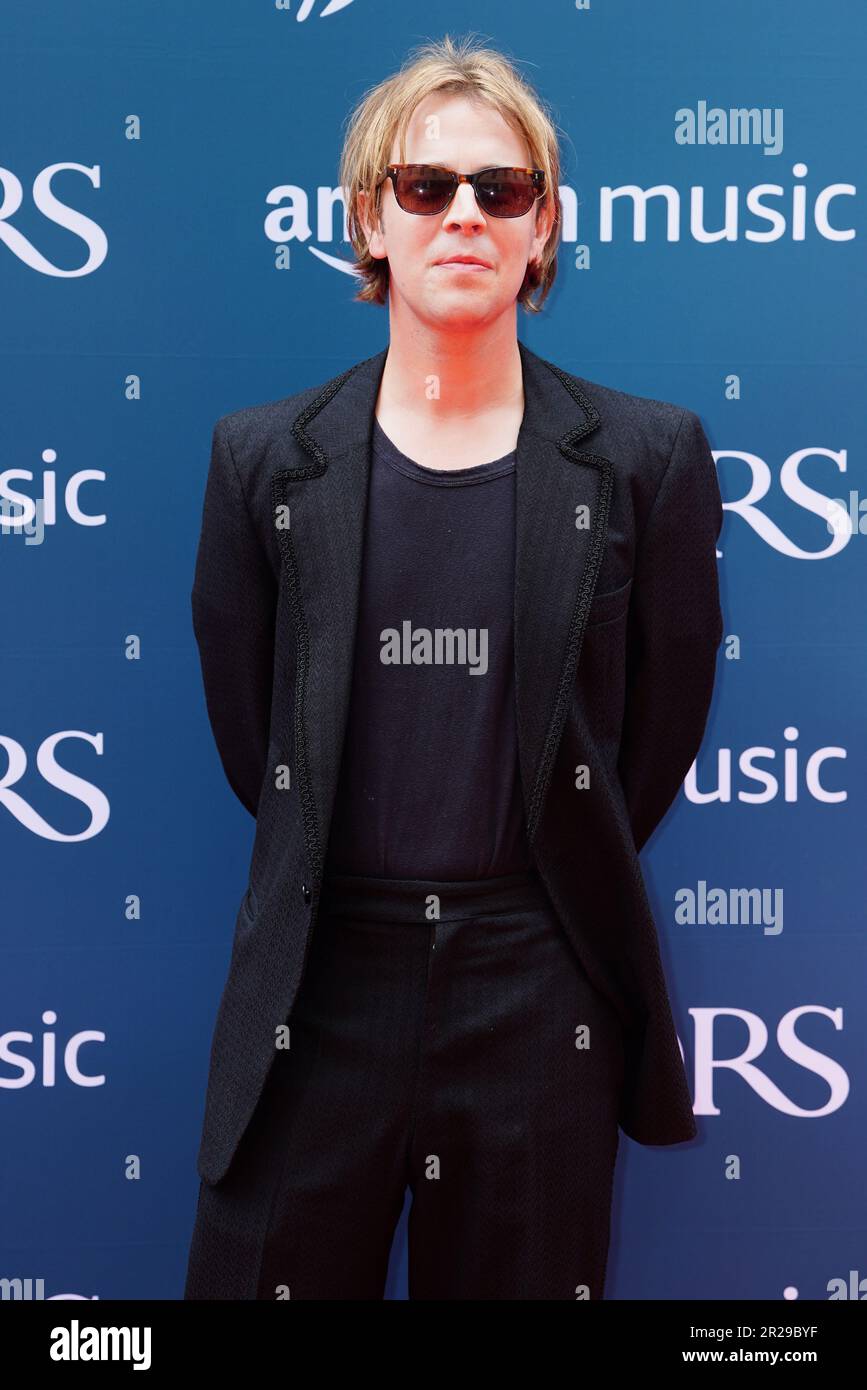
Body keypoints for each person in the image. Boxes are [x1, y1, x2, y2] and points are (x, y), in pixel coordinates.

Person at [183, 34, 724, 1301]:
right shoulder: (261, 461)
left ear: (548, 227)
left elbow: (650, 740)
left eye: (503, 188)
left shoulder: (645, 458)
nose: (465, 215)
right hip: (317, 988)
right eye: (426, 188)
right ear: (368, 220)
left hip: (538, 988)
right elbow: (252, 741)